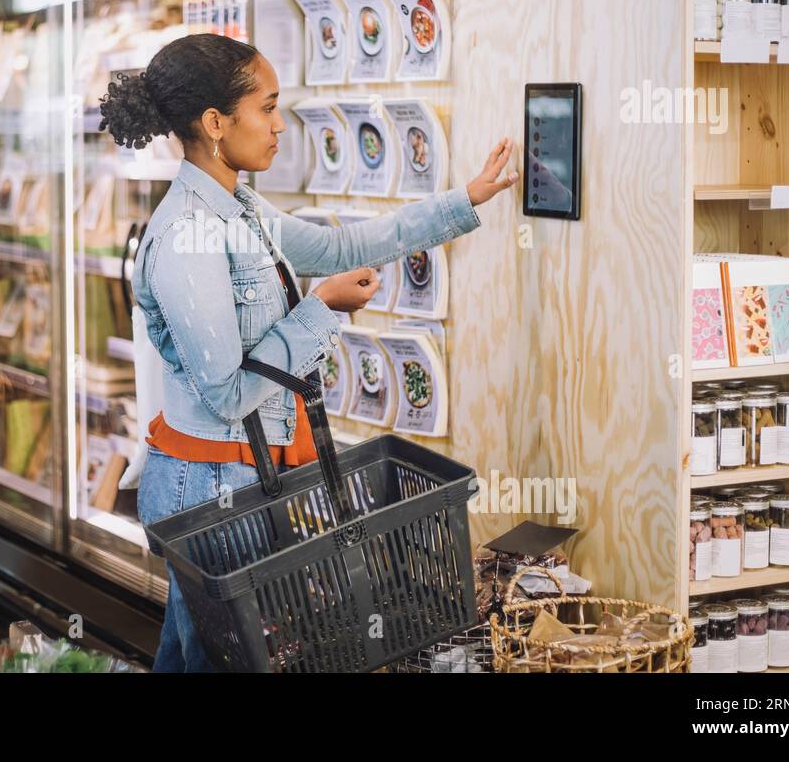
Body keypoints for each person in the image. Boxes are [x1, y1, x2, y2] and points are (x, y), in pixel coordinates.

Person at [98, 33, 518, 672]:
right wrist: (322, 310)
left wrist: (466, 201)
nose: (279, 126)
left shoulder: (241, 209)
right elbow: (228, 393)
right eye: (266, 108)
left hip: (238, 477)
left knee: (196, 659)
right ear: (216, 123)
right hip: (210, 485)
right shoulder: (188, 236)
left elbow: (345, 249)